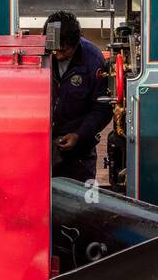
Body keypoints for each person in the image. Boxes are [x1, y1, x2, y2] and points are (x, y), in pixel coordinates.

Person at [44, 10, 112, 184]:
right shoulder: (41, 54)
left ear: (75, 44)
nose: (57, 55)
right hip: (42, 148)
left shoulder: (93, 60)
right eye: (53, 50)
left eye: (63, 50)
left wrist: (79, 135)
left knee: (81, 203)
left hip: (80, 152)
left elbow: (102, 108)